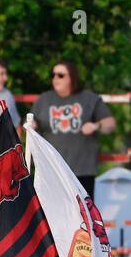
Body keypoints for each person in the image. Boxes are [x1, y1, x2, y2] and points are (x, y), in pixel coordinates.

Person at [33, 60, 116, 197]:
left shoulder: (89, 98)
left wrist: (96, 125)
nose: (55, 78)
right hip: (52, 170)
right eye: (53, 75)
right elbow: (30, 122)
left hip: (82, 170)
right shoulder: (44, 99)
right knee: (52, 215)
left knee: (82, 215)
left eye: (60, 75)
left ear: (72, 77)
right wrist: (31, 125)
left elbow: (110, 123)